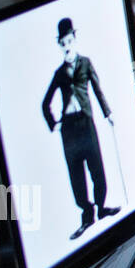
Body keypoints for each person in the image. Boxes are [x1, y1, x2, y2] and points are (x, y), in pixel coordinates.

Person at [41, 18, 121, 240]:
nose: (67, 45)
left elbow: (97, 89)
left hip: (86, 123)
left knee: (96, 166)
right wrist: (53, 122)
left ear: (74, 39)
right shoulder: (59, 73)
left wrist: (108, 113)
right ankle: (86, 215)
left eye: (69, 40)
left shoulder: (85, 63)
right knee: (76, 172)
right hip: (68, 128)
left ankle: (101, 207)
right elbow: (45, 103)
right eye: (63, 42)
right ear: (59, 44)